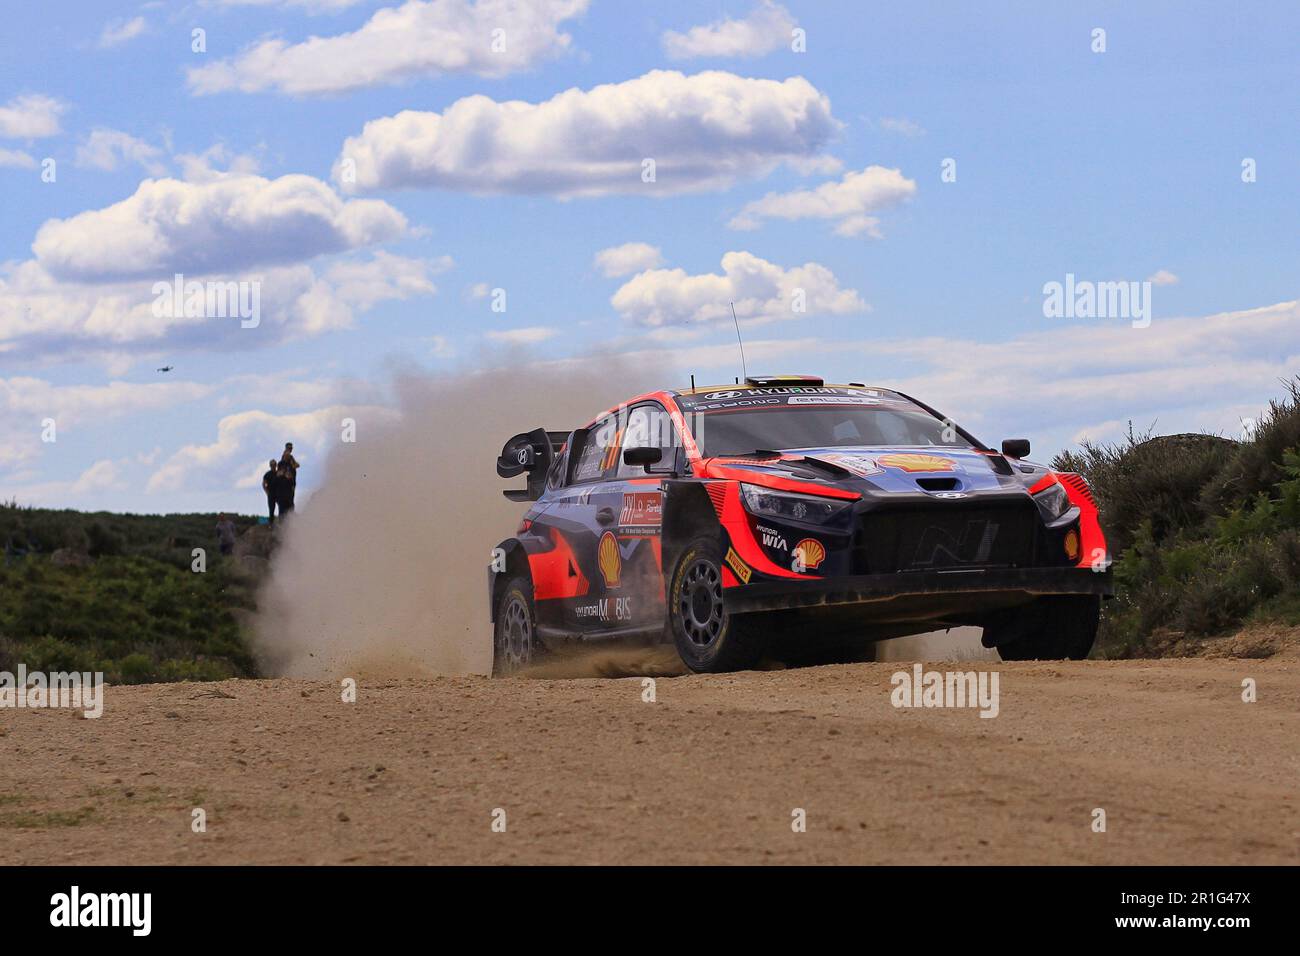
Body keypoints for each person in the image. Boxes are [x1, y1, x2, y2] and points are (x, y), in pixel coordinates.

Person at [262, 459, 279, 524]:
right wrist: (266, 492)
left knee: (281, 508)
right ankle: (271, 524)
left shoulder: (278, 473)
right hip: (271, 494)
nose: (273, 466)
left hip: (278, 493)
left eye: (274, 465)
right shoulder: (267, 474)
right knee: (271, 509)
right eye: (272, 465)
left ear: (276, 465)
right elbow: (264, 484)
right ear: (270, 466)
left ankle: (282, 522)